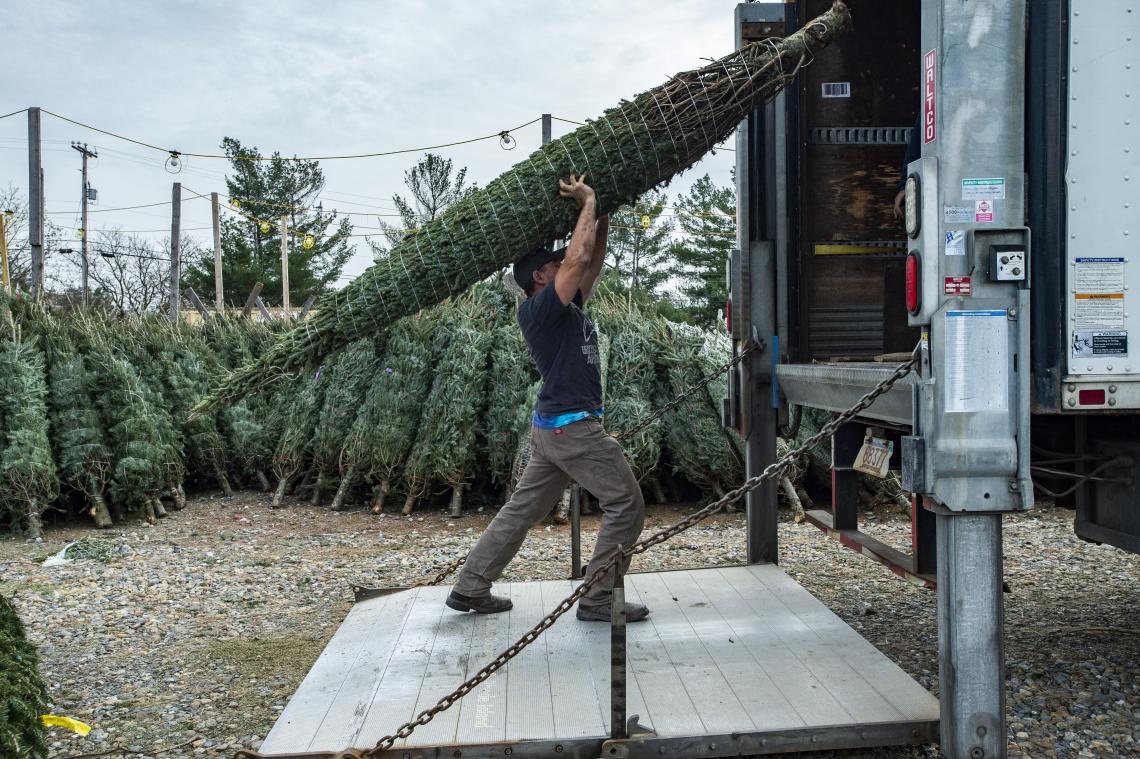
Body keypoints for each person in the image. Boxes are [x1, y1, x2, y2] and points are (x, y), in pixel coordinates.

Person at [446, 173, 649, 623]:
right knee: (626, 505)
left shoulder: (567, 307)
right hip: (574, 428)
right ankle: (597, 600)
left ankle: (470, 588)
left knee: (521, 512)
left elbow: (589, 260)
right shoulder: (539, 310)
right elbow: (578, 258)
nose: (567, 267)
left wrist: (603, 209)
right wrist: (587, 200)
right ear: (540, 276)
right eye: (555, 265)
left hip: (554, 430)